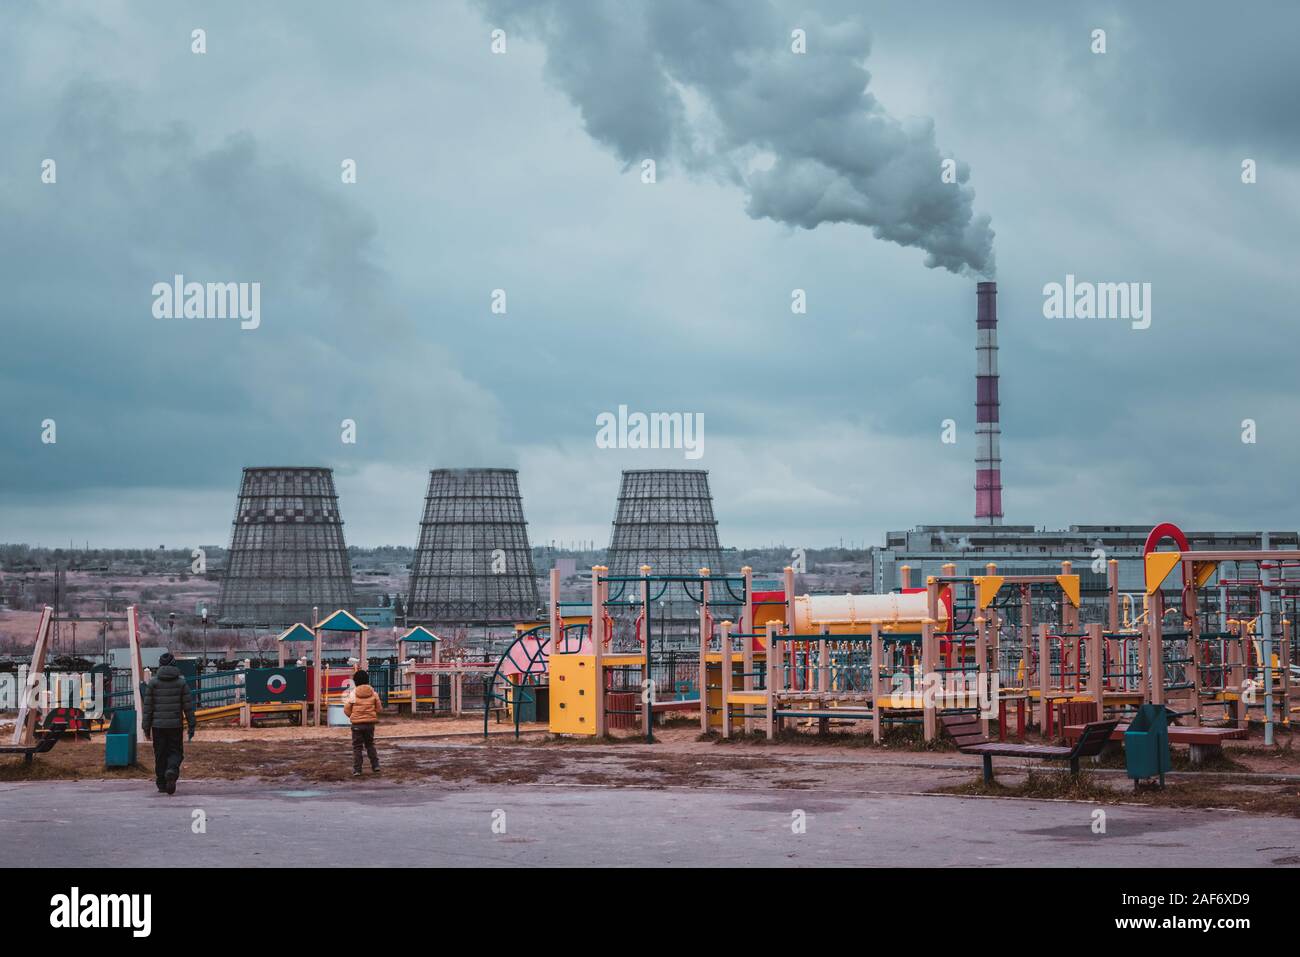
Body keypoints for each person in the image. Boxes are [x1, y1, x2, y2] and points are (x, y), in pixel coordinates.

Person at [140, 651, 196, 795]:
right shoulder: (181, 683)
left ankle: (161, 784)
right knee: (176, 752)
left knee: (160, 754)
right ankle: (171, 770)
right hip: (175, 725)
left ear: (159, 665)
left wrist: (146, 727)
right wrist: (191, 725)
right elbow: (188, 706)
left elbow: (148, 708)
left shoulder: (153, 683)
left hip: (158, 726)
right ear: (174, 664)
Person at [343, 669, 381, 777]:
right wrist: (371, 714)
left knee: (357, 747)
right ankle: (375, 765)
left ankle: (357, 770)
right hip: (369, 724)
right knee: (370, 744)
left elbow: (346, 709)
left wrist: (353, 716)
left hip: (357, 725)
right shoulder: (374, 693)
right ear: (367, 680)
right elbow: (379, 709)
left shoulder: (353, 694)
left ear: (355, 682)